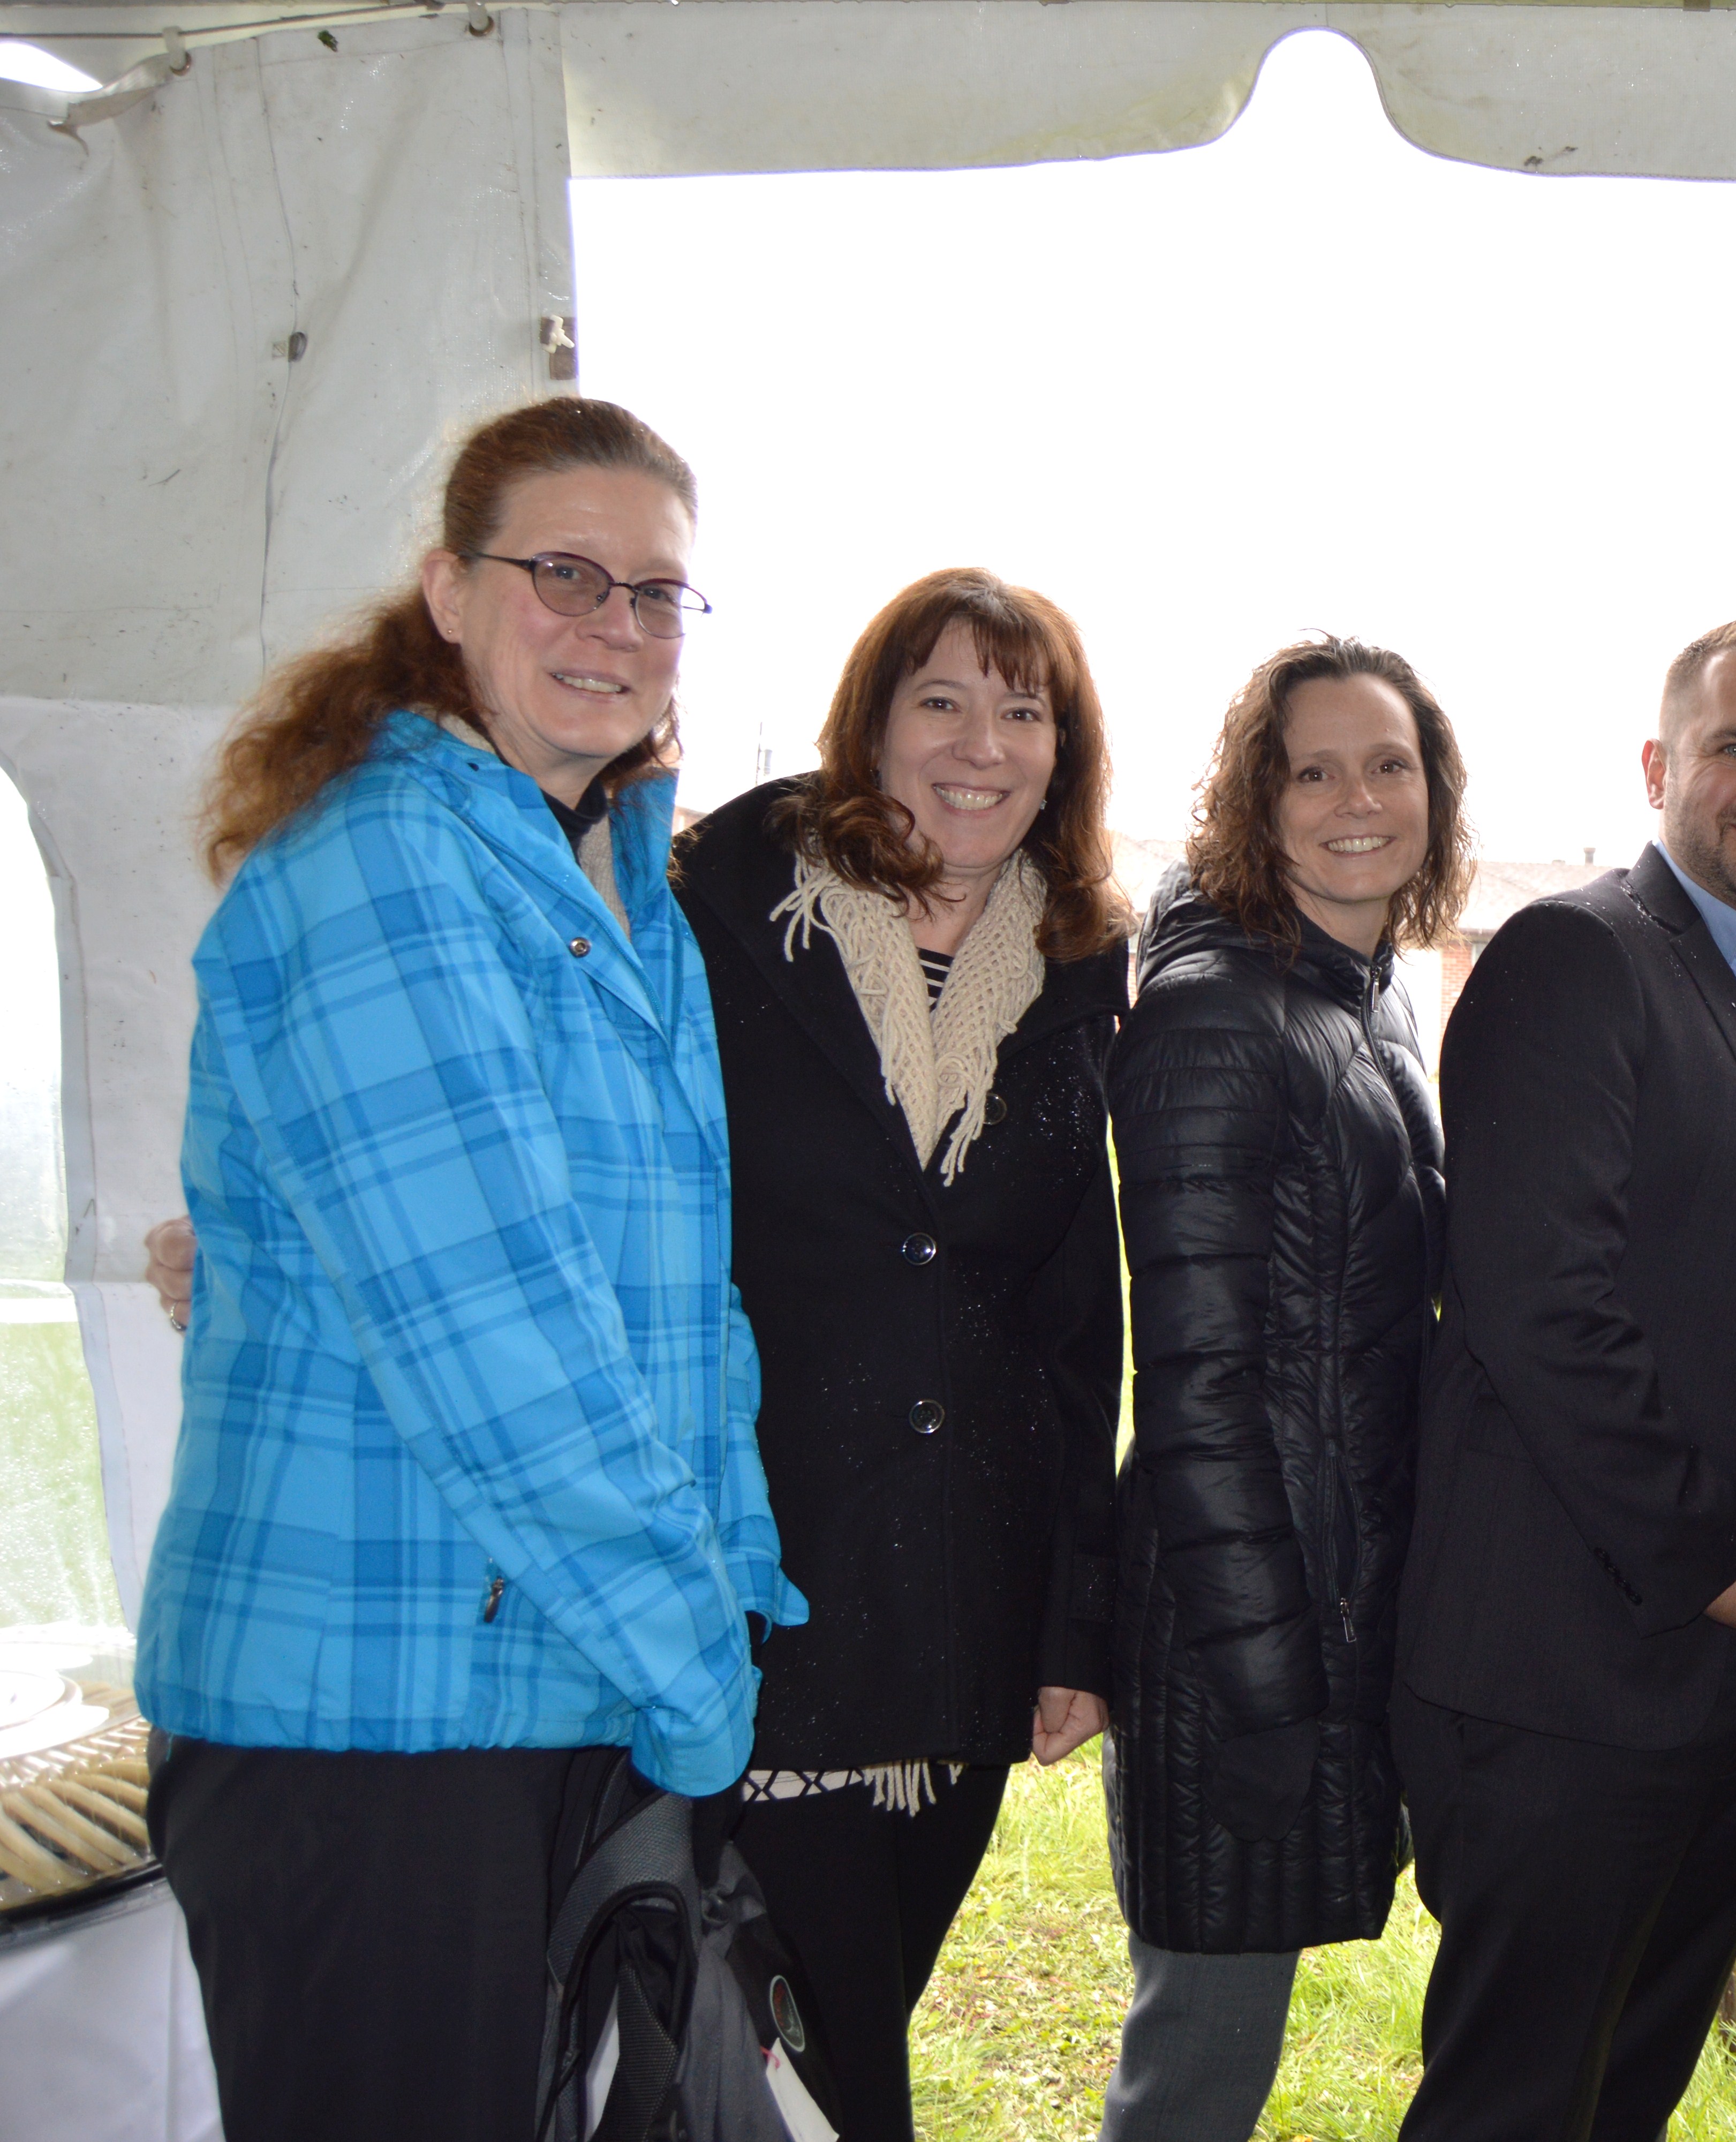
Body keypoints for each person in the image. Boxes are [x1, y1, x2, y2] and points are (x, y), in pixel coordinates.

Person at [135, 397, 802, 2142]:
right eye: (564, 574)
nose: (615, 626)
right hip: (374, 1729)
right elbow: (504, 1351)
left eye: (657, 595)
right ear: (447, 587)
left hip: (538, 1695)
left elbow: (688, 1314)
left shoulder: (609, 885)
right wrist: (703, 1677)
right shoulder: (386, 869)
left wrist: (727, 1586)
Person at [1394, 610, 1736, 2142]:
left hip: (1735, 1673)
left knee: (1627, 2095)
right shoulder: (1577, 957)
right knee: (1514, 2105)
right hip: (1567, 1677)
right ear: (1657, 768)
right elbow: (1539, 1310)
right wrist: (1716, 1557)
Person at [669, 566, 1132, 2138]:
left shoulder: (1079, 975)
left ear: (1063, 754)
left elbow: (1078, 1336)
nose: (982, 744)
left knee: (830, 2041)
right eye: (941, 698)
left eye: (1025, 710)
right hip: (766, 1594)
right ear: (872, 723)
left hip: (960, 1617)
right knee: (814, 2065)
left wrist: (1073, 1623)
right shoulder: (720, 910)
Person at [1095, 635, 1469, 2139]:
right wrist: (1264, 1694)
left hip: (1329, 1613)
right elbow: (1197, 1394)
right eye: (1313, 770)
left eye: (1389, 766)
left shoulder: (1359, 1001)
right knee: (1197, 2063)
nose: (1356, 800)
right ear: (1259, 801)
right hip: (1235, 1644)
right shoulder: (1213, 1021)